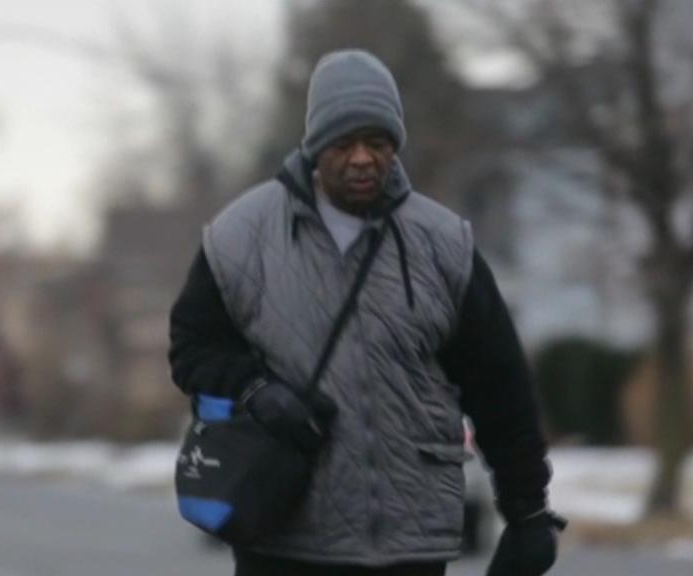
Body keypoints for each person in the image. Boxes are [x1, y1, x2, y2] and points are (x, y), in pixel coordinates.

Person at [168, 49, 565, 576]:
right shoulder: (242, 237)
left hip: (409, 545)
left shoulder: (443, 244)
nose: (361, 158)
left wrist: (527, 512)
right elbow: (191, 348)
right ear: (314, 148)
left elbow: (501, 388)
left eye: (377, 143)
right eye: (344, 143)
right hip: (285, 540)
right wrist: (254, 392)